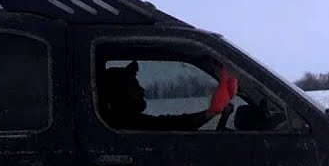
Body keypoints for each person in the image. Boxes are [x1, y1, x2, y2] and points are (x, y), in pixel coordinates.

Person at [96, 60, 238, 131]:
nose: (142, 90)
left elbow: (170, 125)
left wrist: (211, 113)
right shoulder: (124, 123)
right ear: (119, 92)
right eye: (133, 87)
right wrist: (210, 113)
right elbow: (170, 125)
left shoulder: (121, 122)